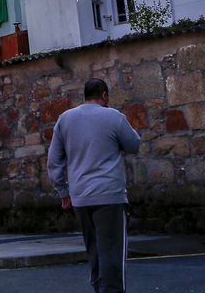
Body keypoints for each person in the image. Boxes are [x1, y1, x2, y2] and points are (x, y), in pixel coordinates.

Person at [48, 78, 142, 293]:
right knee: (112, 252)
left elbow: (54, 161)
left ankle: (98, 289)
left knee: (94, 252)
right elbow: (134, 145)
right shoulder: (114, 117)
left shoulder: (65, 119)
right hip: (109, 196)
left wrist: (63, 191)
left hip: (80, 197)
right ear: (105, 95)